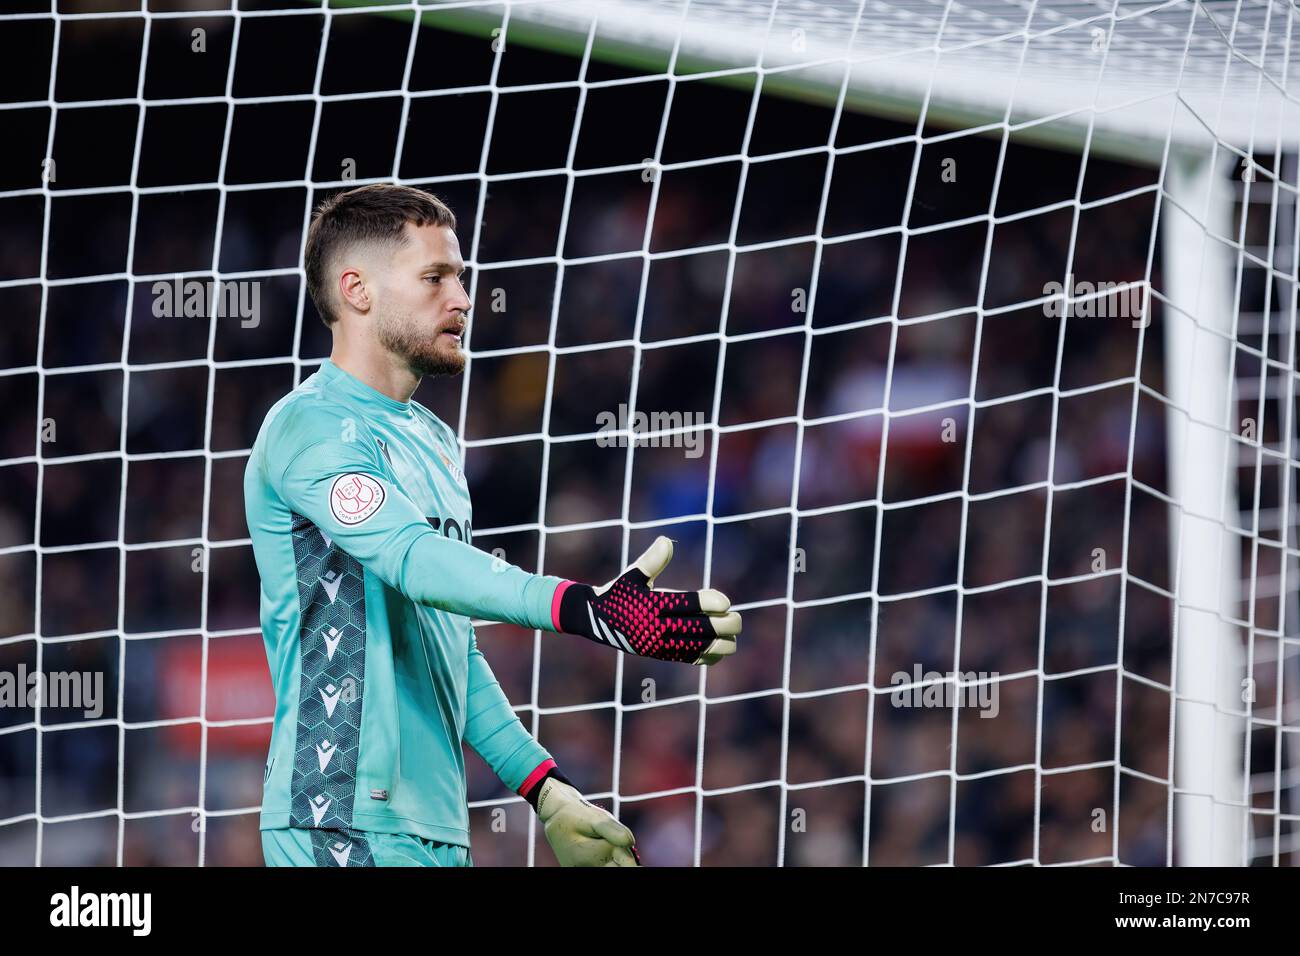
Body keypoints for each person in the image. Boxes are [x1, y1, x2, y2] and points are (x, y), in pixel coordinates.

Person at [243, 183, 741, 867]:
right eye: (435, 276)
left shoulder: (437, 442)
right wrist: (584, 608)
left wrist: (544, 787)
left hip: (438, 827)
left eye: (462, 275)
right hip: (339, 817)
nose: (464, 297)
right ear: (357, 289)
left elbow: (450, 647)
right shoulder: (310, 426)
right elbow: (412, 559)